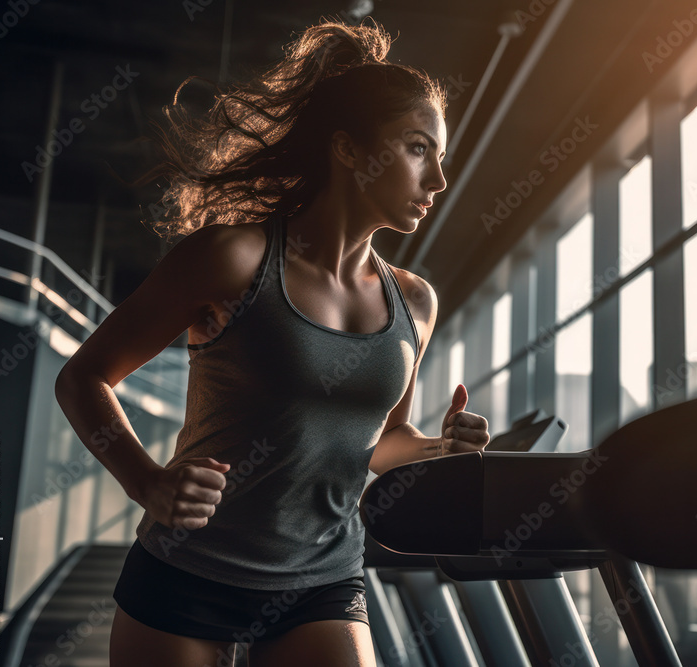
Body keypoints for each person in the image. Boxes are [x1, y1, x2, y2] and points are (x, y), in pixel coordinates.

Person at [54, 18, 490, 667]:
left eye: (441, 156)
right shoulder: (233, 259)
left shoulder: (415, 303)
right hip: (186, 575)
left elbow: (379, 443)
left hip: (322, 581)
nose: (439, 181)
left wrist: (435, 448)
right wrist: (147, 482)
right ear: (349, 149)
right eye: (419, 149)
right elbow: (82, 379)